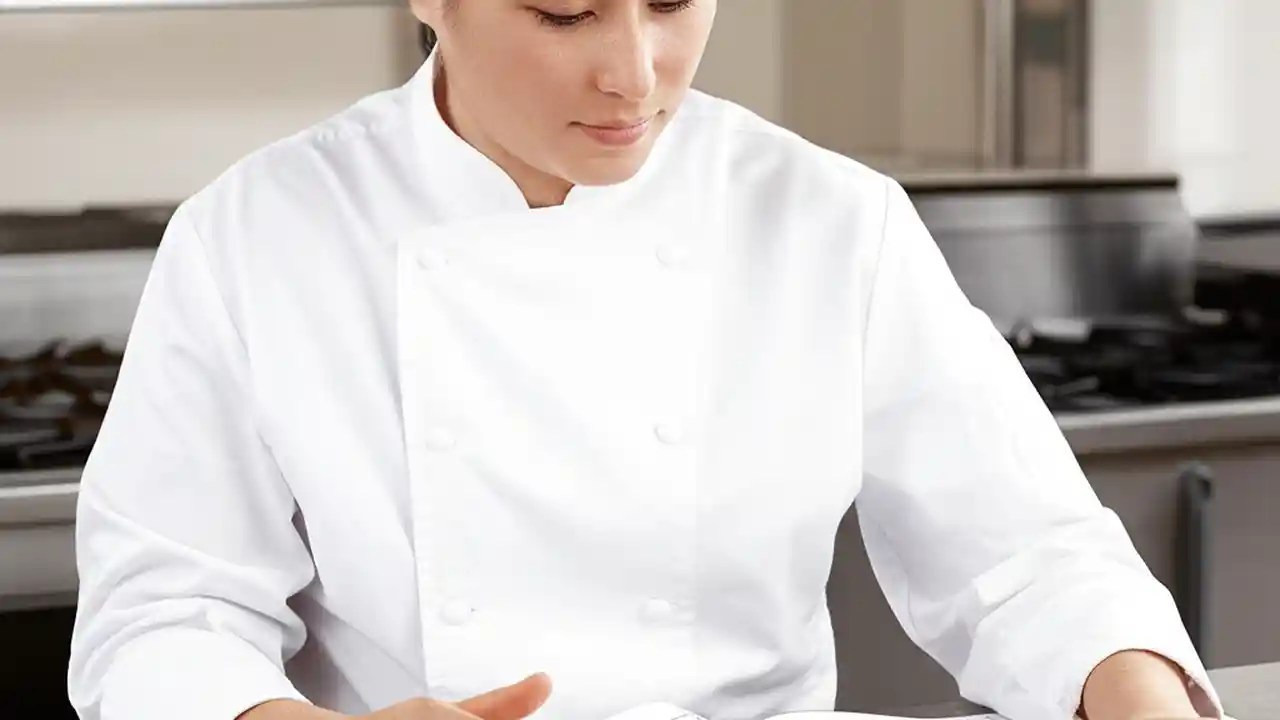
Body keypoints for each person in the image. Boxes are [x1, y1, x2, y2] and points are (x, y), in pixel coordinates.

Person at [67, 2, 1224, 720]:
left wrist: (1127, 687)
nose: (634, 71)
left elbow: (1026, 555)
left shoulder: (825, 218)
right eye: (564, 14)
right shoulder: (258, 232)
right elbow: (165, 612)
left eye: (670, 1)